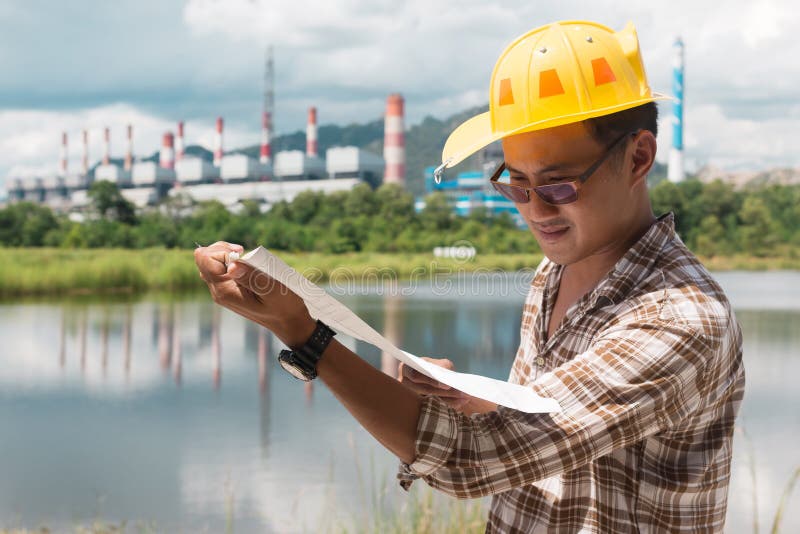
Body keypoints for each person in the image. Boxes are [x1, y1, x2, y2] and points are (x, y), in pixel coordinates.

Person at [194, 20, 745, 533]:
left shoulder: (679, 320)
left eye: (557, 185)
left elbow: (469, 460)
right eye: (515, 183)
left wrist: (306, 335)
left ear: (639, 158)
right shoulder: (557, 269)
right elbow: (552, 416)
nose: (534, 210)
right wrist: (471, 396)